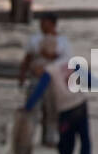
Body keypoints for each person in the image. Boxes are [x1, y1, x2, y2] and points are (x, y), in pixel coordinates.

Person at [23, 54, 92, 154]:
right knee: (83, 134)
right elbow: (85, 75)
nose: (37, 75)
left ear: (40, 68)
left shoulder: (48, 72)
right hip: (80, 103)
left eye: (36, 72)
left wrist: (28, 106)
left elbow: (39, 90)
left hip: (66, 107)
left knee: (65, 135)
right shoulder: (65, 63)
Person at [18, 15, 71, 147]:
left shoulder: (63, 42)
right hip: (36, 78)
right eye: (41, 23)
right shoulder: (35, 39)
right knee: (33, 107)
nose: (42, 26)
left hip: (53, 79)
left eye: (45, 23)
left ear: (53, 24)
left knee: (51, 109)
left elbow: (65, 62)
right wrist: (22, 74)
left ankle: (50, 138)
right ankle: (29, 136)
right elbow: (28, 57)